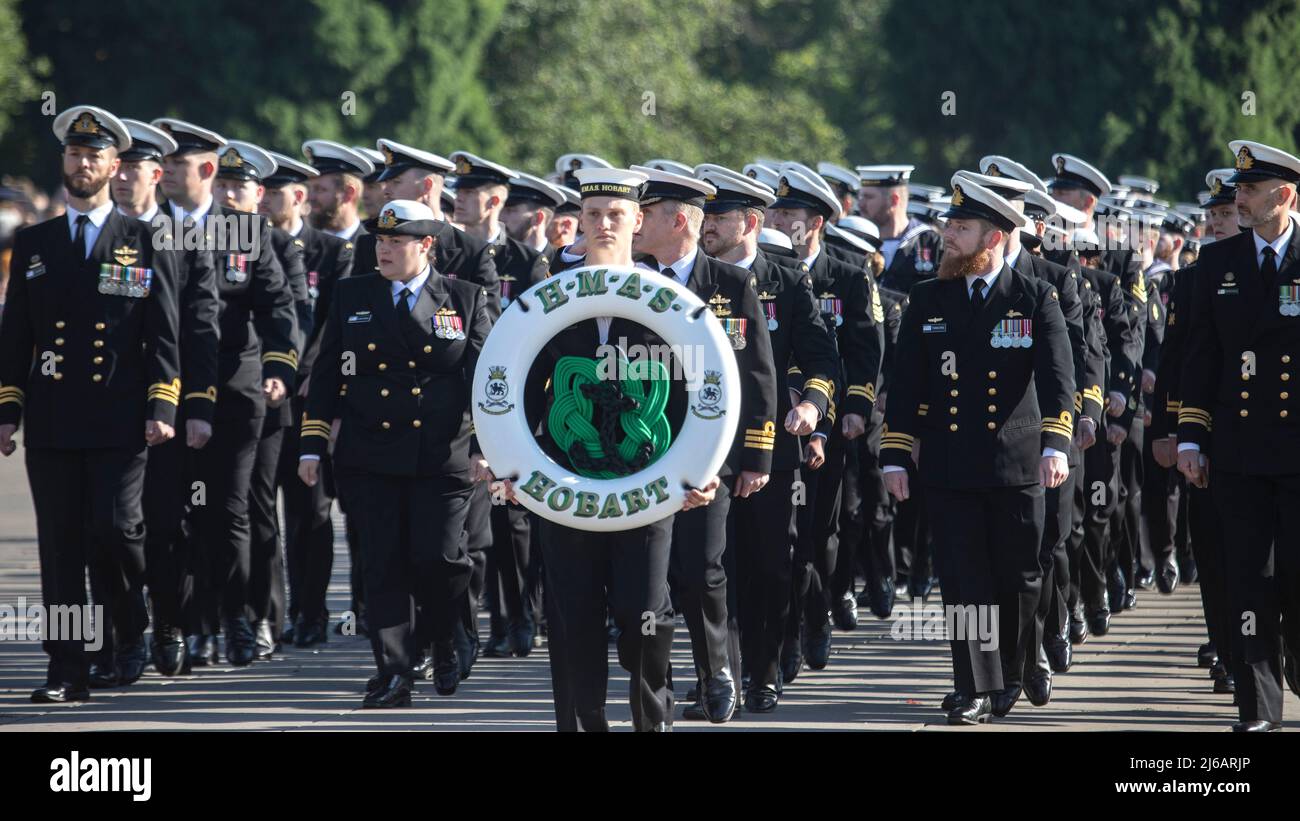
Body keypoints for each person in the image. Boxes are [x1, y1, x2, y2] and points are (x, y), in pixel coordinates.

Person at [479, 166, 721, 731]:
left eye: (616, 216)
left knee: (645, 617)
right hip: (564, 480)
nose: (604, 225)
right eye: (593, 216)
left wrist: (702, 469)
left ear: (638, 222)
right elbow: (517, 386)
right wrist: (508, 459)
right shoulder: (546, 301)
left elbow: (704, 393)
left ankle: (648, 723)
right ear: (579, 223)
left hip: (651, 478)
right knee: (571, 620)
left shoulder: (673, 304)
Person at [0, 106, 183, 703]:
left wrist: (163, 404)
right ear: (65, 163)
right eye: (75, 154)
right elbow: (15, 338)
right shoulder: (35, 243)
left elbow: (165, 335)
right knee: (59, 550)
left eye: (95, 154)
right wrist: (8, 412)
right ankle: (66, 669)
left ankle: (128, 628)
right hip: (53, 421)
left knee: (113, 531)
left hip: (120, 419)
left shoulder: (145, 240)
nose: (84, 163)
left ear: (114, 165)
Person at [882, 176, 1075, 725]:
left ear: (993, 237)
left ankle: (1012, 672)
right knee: (963, 580)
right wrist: (895, 453)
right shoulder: (929, 297)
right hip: (949, 463)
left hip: (1017, 464)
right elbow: (908, 383)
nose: (948, 235)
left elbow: (1059, 379)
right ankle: (971, 685)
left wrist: (1056, 444)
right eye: (949, 224)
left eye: (961, 228)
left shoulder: (1034, 295)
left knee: (1019, 577)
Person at [299, 199, 490, 705]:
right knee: (383, 565)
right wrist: (312, 444)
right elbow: (325, 375)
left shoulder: (464, 298)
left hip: (441, 455)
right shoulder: (352, 294)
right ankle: (396, 670)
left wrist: (485, 448)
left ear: (426, 246)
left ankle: (449, 635)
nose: (383, 250)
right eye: (379, 241)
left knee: (440, 558)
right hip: (371, 453)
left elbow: (485, 382)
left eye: (396, 242)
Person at [628, 164, 777, 723]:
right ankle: (659, 686)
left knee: (701, 570)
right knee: (652, 577)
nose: (637, 226)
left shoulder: (732, 285)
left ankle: (717, 672)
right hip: (642, 450)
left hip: (708, 454)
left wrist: (757, 456)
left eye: (648, 215)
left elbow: (758, 376)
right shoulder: (630, 279)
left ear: (678, 221)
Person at [696, 163, 840, 712]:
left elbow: (822, 358)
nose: (706, 224)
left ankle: (763, 669)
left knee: (767, 566)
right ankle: (718, 676)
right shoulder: (688, 280)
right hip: (700, 446)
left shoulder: (786, 279)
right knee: (709, 570)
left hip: (768, 449)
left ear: (750, 222)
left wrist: (812, 405)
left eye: (718, 215)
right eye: (704, 213)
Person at [1177, 140, 1300, 732]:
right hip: (1241, 449)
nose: (1239, 199)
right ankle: (1258, 708)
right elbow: (1201, 359)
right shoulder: (1218, 266)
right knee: (1247, 582)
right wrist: (1191, 440)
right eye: (1239, 191)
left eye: (1250, 191)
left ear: (1285, 196)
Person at [766, 164, 884, 679]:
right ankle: (784, 635)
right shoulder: (762, 271)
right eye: (775, 209)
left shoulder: (850, 276)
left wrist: (853, 410)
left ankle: (818, 613)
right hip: (772, 427)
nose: (777, 218)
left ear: (816, 222)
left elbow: (863, 354)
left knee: (818, 536)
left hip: (828, 425)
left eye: (789, 211)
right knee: (778, 541)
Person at [115, 118, 220, 678]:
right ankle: (121, 635)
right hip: (103, 409)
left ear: (154, 175)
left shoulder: (184, 243)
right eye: (121, 166)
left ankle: (171, 625)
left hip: (166, 408)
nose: (124, 177)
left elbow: (201, 331)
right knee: (108, 528)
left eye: (135, 168)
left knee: (164, 524)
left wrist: (198, 406)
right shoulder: (93, 236)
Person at [261, 150, 355, 648]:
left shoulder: (331, 252)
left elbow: (331, 326)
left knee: (310, 512)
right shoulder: (249, 246)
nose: (265, 201)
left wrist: (312, 373)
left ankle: (311, 611)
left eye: (275, 193)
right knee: (259, 511)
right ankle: (269, 616)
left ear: (296, 197)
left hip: (309, 397)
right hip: (264, 397)